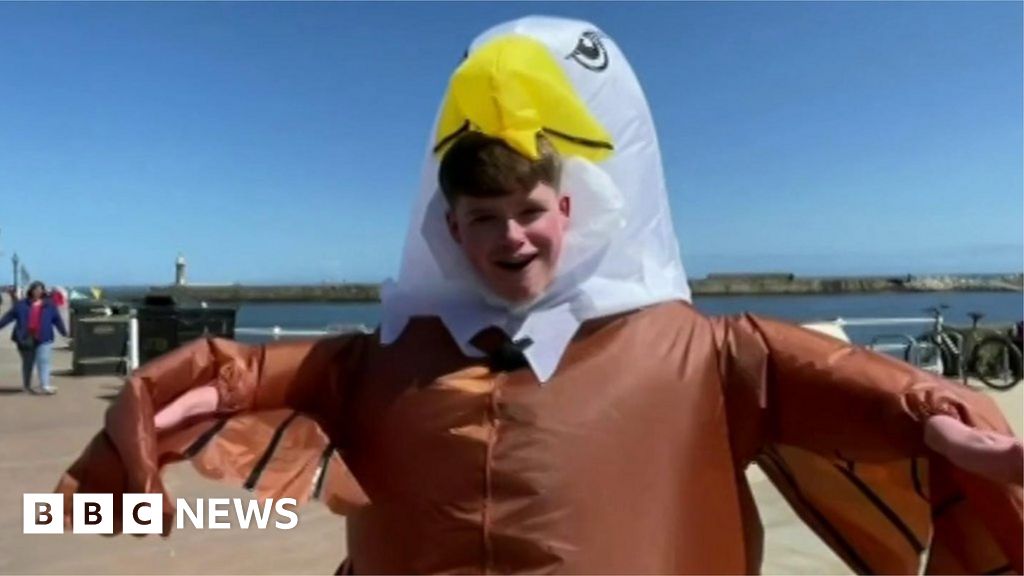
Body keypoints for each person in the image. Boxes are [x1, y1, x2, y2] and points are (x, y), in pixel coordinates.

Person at [55, 17, 1022, 575]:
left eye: (527, 212)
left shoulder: (698, 356)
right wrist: (181, 405)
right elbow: (254, 379)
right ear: (450, 228)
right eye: (482, 219)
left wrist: (937, 417)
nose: (510, 237)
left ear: (568, 207)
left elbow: (834, 381)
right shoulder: (379, 364)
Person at [0, 280, 68, 395]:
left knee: (44, 361)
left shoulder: (50, 305)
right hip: (25, 338)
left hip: (44, 337)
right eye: (36, 289)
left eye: (40, 289)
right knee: (28, 363)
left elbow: (57, 320)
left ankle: (44, 385)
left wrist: (64, 333)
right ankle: (26, 386)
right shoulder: (21, 305)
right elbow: (8, 317)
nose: (38, 291)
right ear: (31, 291)